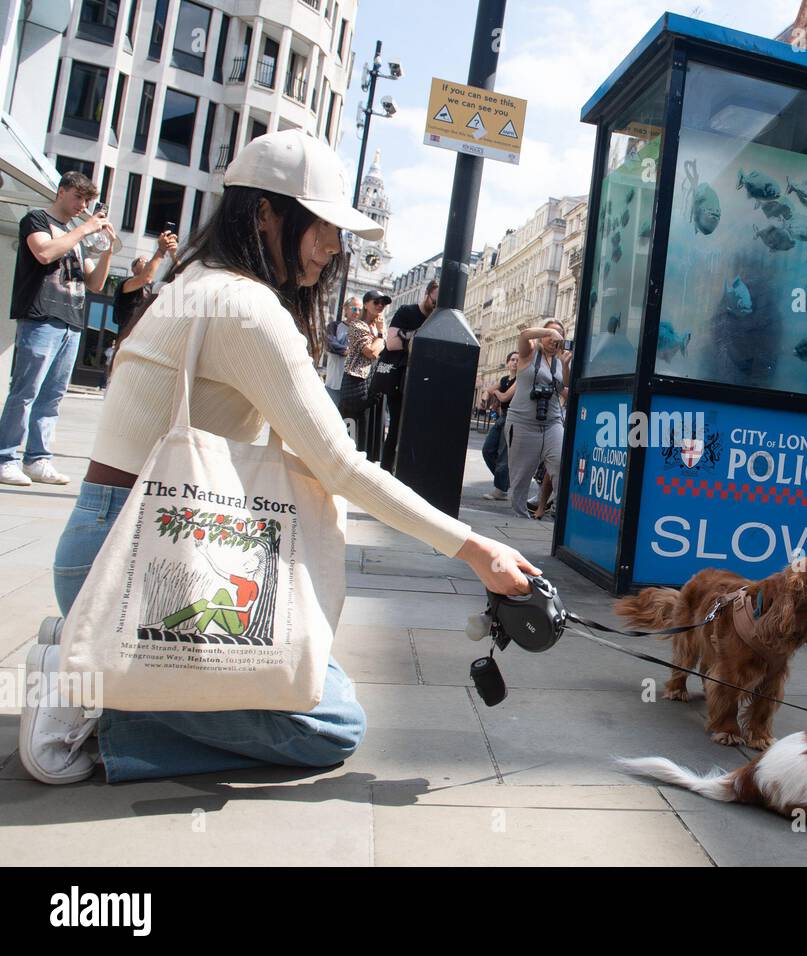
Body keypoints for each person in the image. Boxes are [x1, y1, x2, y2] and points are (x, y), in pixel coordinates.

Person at [22, 129, 537, 787]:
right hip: (136, 560)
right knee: (330, 725)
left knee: (308, 673)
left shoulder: (191, 282)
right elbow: (343, 466)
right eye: (319, 223)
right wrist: (476, 550)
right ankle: (94, 707)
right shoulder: (247, 308)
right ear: (263, 212)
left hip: (107, 541)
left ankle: (87, 649)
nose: (332, 244)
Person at [0, 171, 115, 486]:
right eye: (78, 197)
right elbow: (45, 252)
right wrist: (87, 229)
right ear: (61, 192)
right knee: (26, 391)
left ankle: (38, 459)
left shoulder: (75, 235)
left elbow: (95, 283)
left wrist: (107, 250)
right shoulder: (36, 220)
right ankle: (5, 457)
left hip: (71, 322)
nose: (82, 206)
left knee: (52, 396)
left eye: (87, 201)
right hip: (40, 316)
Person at [506, 321, 570, 518]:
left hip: (552, 422)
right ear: (542, 334)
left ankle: (559, 516)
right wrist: (550, 330)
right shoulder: (530, 351)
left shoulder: (560, 359)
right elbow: (525, 334)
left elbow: (564, 385)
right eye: (550, 333)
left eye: (558, 335)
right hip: (523, 422)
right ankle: (520, 517)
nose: (553, 338)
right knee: (520, 476)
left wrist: (565, 364)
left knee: (561, 464)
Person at [372, 278, 436, 472]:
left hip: (421, 379)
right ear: (426, 294)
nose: (435, 306)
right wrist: (417, 338)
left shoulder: (437, 318)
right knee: (397, 424)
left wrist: (408, 337)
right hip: (398, 376)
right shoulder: (407, 312)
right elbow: (392, 344)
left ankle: (405, 467)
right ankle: (386, 468)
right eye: (434, 301)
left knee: (414, 426)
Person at [338, 289, 389, 458]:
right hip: (357, 384)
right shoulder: (358, 325)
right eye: (377, 302)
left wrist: (380, 334)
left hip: (374, 385)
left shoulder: (377, 328)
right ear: (366, 304)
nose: (381, 305)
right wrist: (381, 335)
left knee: (368, 435)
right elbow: (371, 352)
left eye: (383, 303)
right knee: (353, 432)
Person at [111, 231, 179, 356]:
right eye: (142, 260)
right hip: (127, 342)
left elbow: (182, 279)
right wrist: (161, 250)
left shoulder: (154, 287)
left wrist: (173, 254)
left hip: (146, 342)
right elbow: (145, 278)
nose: (147, 261)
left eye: (148, 260)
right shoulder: (125, 284)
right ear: (133, 268)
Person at [481, 350, 517, 500]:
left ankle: (501, 490)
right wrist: (485, 395)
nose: (515, 362)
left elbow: (504, 397)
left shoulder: (521, 379)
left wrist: (493, 392)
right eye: (513, 359)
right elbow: (487, 391)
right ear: (508, 362)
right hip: (502, 418)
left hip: (513, 418)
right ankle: (504, 481)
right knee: (487, 450)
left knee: (504, 455)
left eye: (518, 360)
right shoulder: (504, 379)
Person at [322, 296, 358, 406]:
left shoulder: (363, 330)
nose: (357, 312)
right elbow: (330, 344)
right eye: (354, 308)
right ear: (345, 309)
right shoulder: (334, 326)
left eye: (360, 310)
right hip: (334, 384)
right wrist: (350, 351)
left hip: (353, 387)